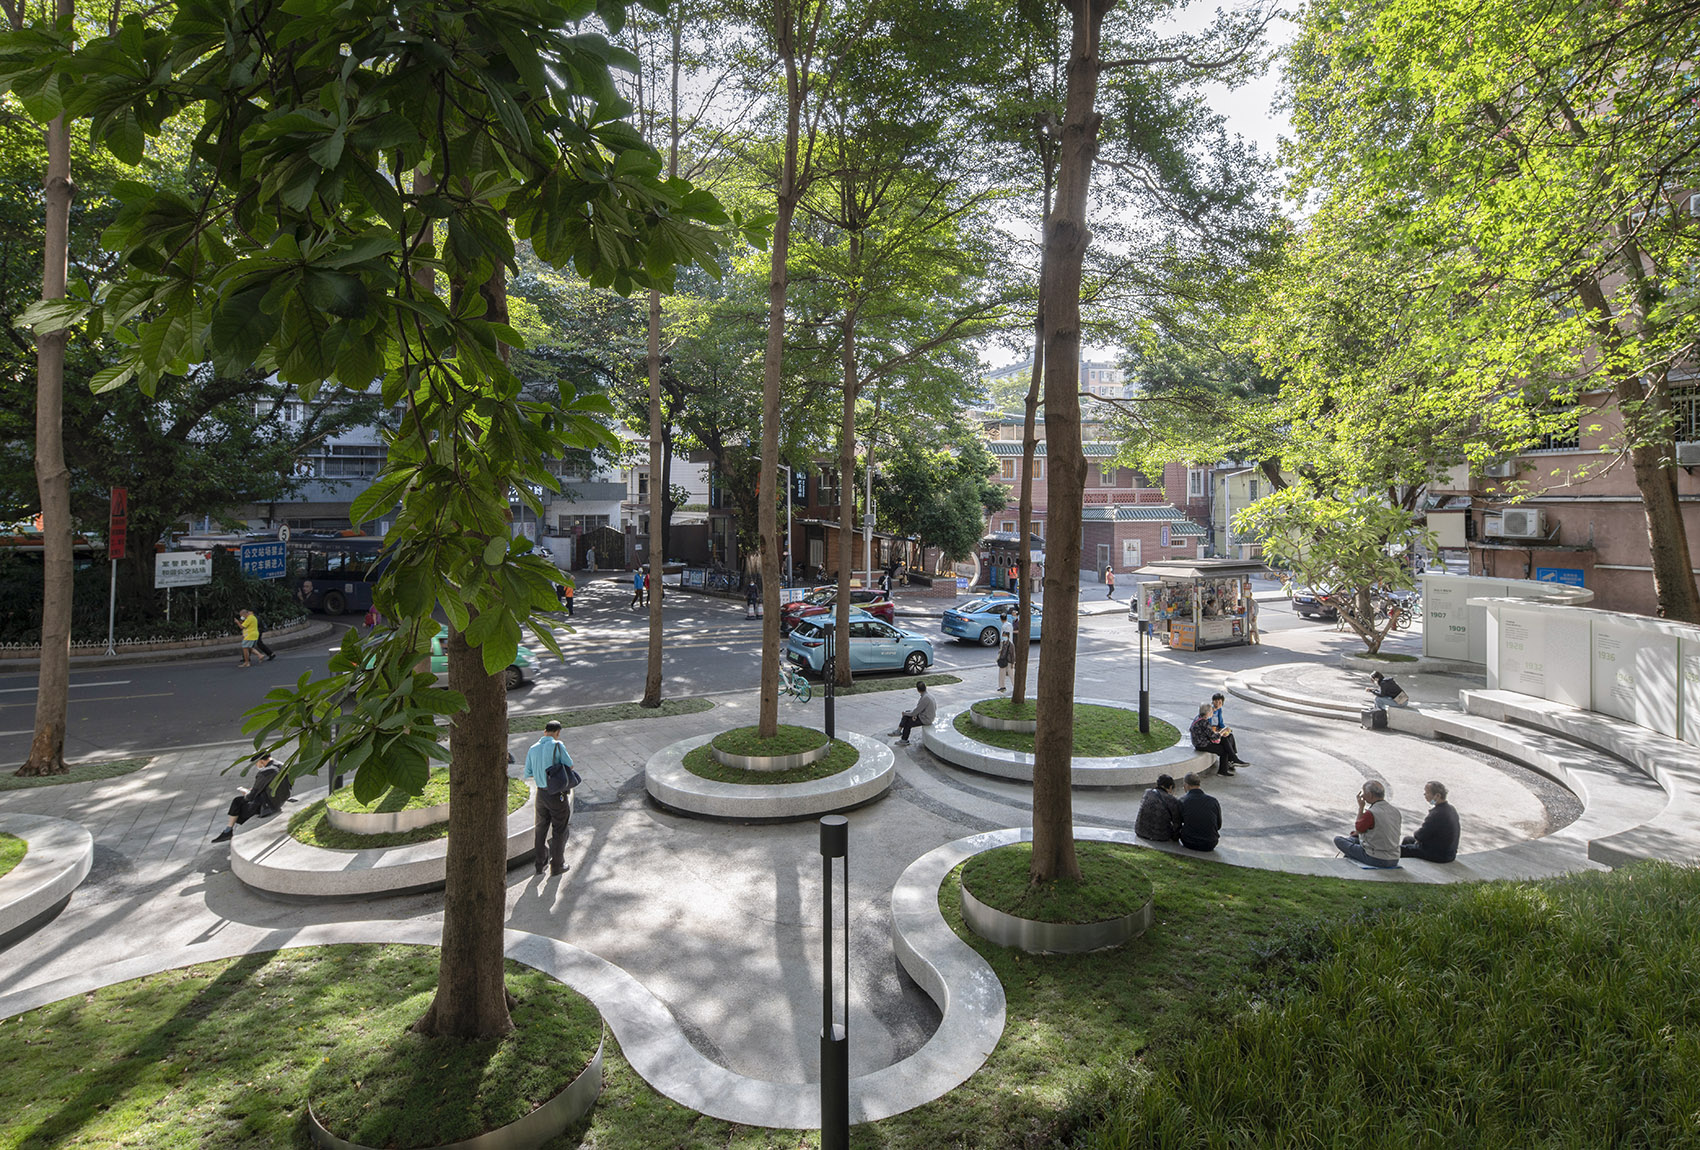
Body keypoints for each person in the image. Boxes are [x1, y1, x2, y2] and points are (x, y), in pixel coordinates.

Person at [522, 720, 574, 876]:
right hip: (556, 794)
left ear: (544, 731)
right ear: (557, 733)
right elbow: (570, 765)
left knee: (540, 829)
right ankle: (557, 865)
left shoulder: (532, 748)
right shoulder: (558, 746)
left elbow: (528, 772)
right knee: (559, 829)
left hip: (541, 794)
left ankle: (540, 864)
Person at [212, 752, 289, 842]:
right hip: (282, 799)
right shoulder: (282, 765)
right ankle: (228, 831)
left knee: (237, 802)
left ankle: (228, 831)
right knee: (241, 803)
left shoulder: (265, 772)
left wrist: (246, 793)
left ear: (260, 761)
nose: (256, 765)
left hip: (270, 804)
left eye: (256, 763)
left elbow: (251, 796)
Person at [1334, 779, 1402, 867]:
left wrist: (1361, 807)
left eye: (1364, 793)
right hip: (1394, 857)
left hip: (1376, 858)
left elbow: (1358, 829)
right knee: (1353, 840)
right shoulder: (1395, 811)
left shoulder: (1371, 813)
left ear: (1370, 795)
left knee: (1338, 840)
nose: (1362, 795)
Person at [1401, 781, 1460, 862]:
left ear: (1437, 795)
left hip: (1439, 854)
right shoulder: (1450, 808)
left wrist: (1417, 838)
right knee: (1408, 840)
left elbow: (1420, 835)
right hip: (1449, 853)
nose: (1425, 795)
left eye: (1427, 793)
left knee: (1400, 850)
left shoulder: (1437, 813)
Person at [1177, 773, 1221, 851]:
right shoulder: (1213, 801)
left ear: (1186, 785)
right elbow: (1218, 824)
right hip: (1210, 843)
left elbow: (1178, 823)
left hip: (1189, 842)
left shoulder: (1182, 801)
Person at [1189, 702, 1236, 776]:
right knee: (1224, 750)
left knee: (1226, 739)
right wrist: (1222, 731)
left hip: (1200, 741)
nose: (1212, 712)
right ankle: (1223, 770)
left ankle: (1233, 758)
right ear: (1207, 712)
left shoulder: (1199, 718)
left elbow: (1209, 733)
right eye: (1211, 711)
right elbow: (1214, 737)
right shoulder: (1204, 722)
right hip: (1201, 745)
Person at [1135, 774, 1182, 842]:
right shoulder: (1172, 800)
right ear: (1170, 787)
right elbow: (1177, 822)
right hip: (1160, 835)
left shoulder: (1147, 792)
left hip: (1140, 830)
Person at [1208, 691, 1250, 768]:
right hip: (1211, 732)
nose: (1217, 704)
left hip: (1217, 730)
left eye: (1220, 702)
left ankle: (1232, 759)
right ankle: (1233, 759)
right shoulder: (1209, 710)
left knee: (1230, 735)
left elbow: (1220, 723)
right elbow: (1207, 725)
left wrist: (1225, 729)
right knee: (1225, 739)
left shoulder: (1219, 710)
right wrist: (1219, 731)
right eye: (1216, 702)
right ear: (1213, 701)